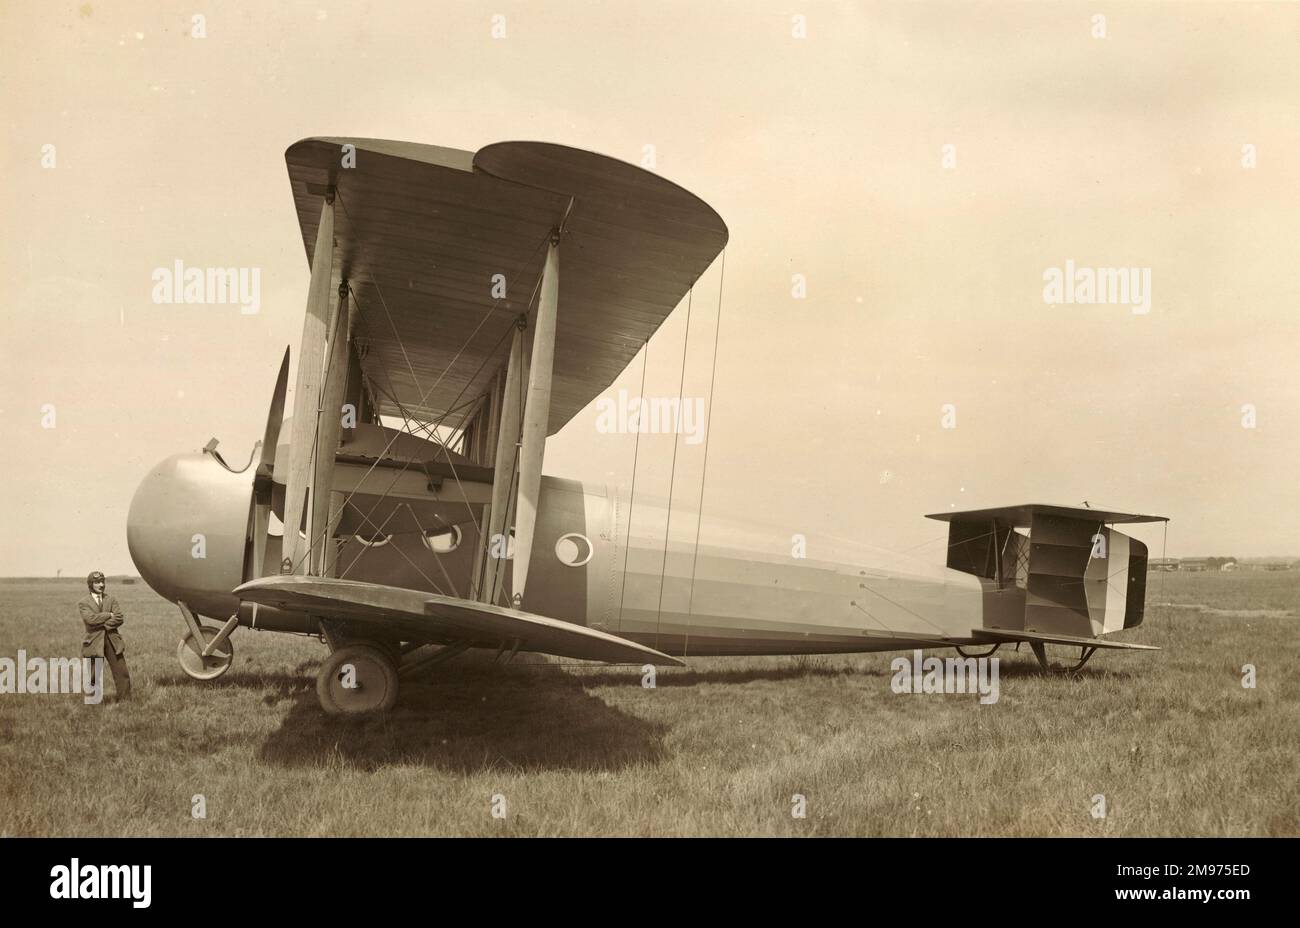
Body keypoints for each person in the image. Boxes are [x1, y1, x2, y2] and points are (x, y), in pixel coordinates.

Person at [78, 571, 131, 701]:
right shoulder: (83, 602)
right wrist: (108, 615)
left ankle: (125, 700)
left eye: (102, 582)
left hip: (113, 640)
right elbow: (90, 620)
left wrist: (103, 624)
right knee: (93, 674)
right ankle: (93, 701)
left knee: (121, 672)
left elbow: (119, 618)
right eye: (97, 582)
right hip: (94, 642)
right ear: (91, 584)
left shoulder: (111, 599)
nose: (101, 585)